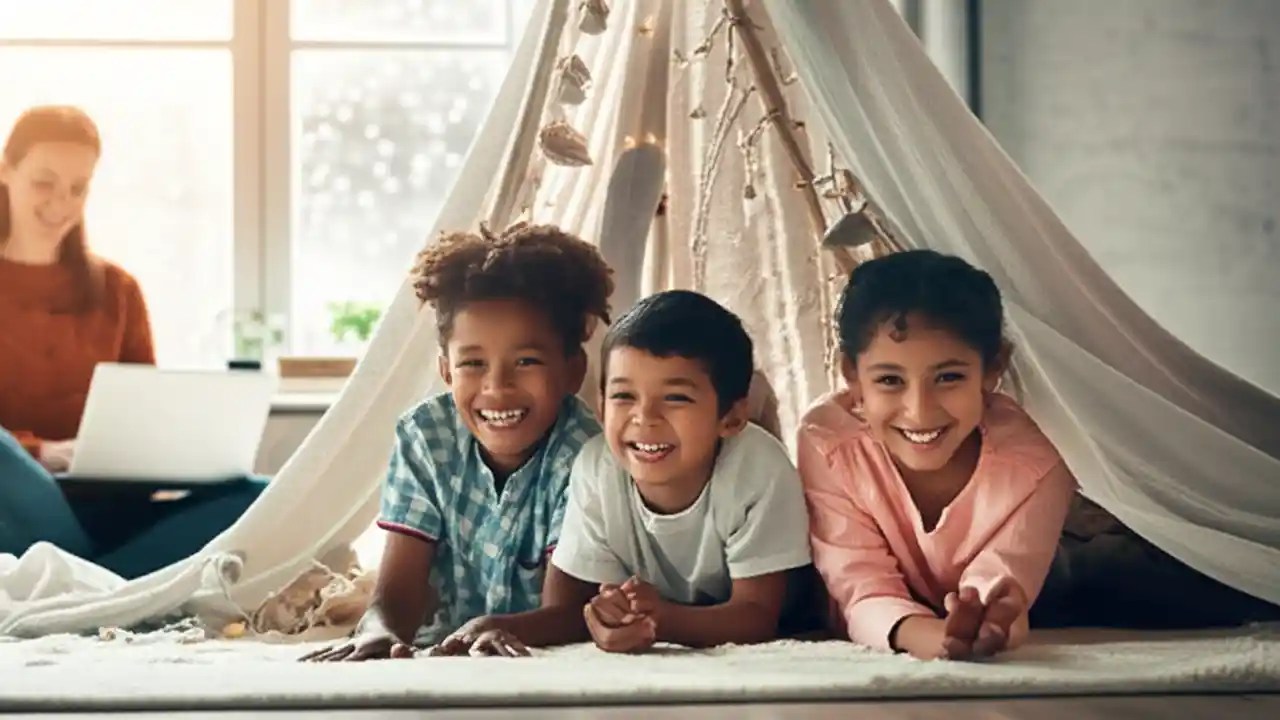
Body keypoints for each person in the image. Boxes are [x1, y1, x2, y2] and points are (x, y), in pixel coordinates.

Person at [426, 290, 813, 656]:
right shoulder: (597, 468)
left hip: (793, 619)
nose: (644, 418)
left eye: (676, 398)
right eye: (624, 396)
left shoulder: (758, 468)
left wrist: (661, 619)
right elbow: (566, 609)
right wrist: (499, 625)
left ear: (731, 416)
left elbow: (757, 617)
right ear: (600, 403)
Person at [303, 222, 614, 661]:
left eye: (526, 361)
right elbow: (397, 594)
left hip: (536, 653)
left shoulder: (586, 454)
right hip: (448, 645)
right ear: (446, 372)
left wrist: (493, 627)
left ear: (572, 371)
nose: (497, 387)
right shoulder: (425, 438)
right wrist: (381, 630)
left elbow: (567, 610)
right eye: (472, 363)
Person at [0, 105, 264, 579]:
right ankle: (121, 582)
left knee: (261, 494)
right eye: (44, 181)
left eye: (78, 188)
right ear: (6, 170)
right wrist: (43, 452)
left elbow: (143, 415)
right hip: (15, 505)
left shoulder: (117, 290)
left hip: (111, 503)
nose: (61, 202)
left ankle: (79, 581)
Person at [797, 250, 1076, 661]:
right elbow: (860, 584)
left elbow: (1005, 583)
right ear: (852, 376)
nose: (920, 410)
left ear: (992, 368)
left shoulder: (1037, 460)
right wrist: (932, 637)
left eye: (949, 377)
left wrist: (990, 620)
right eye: (890, 380)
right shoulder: (830, 443)